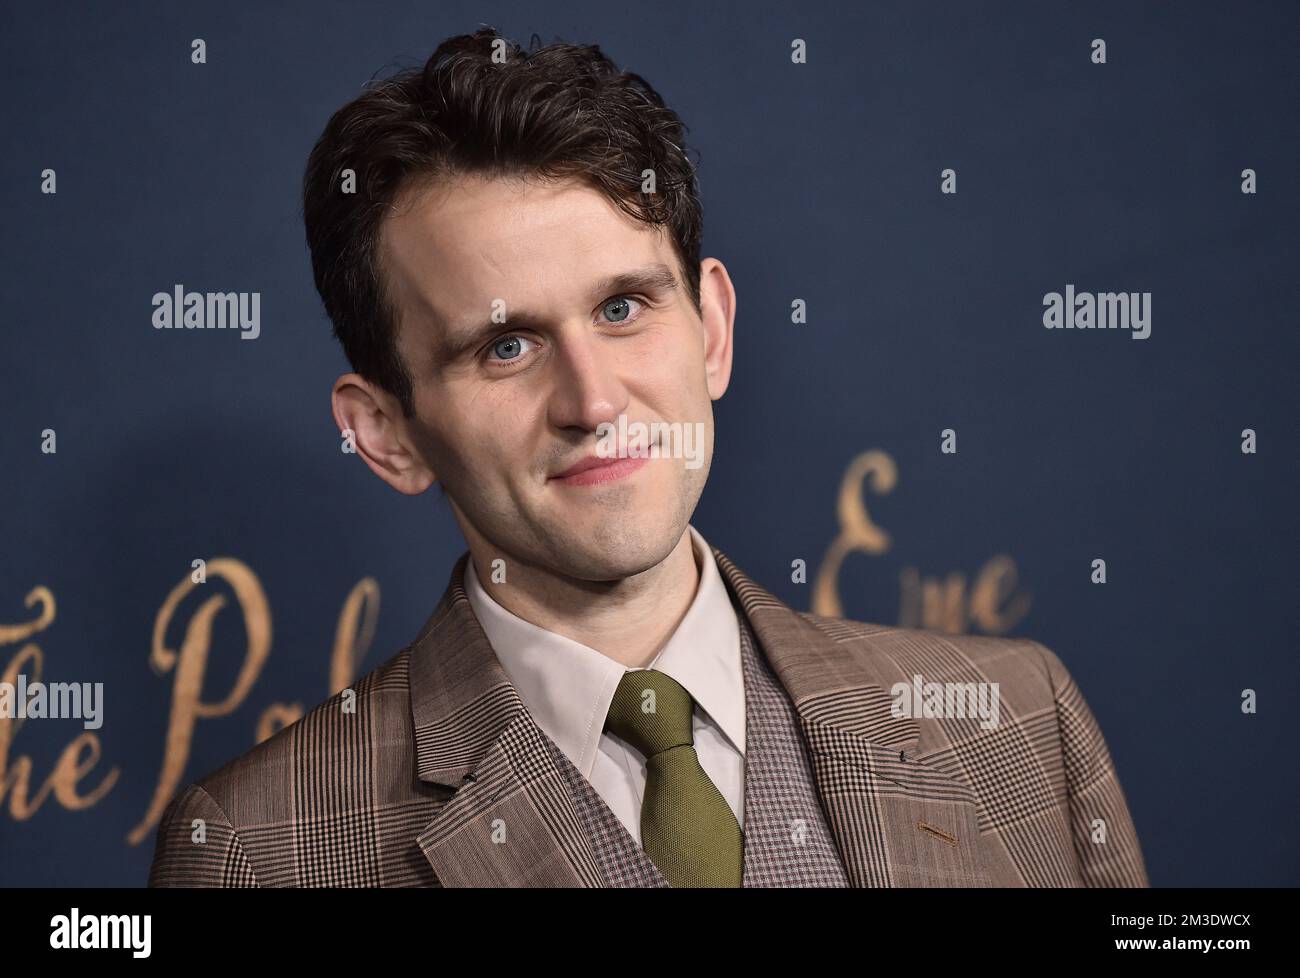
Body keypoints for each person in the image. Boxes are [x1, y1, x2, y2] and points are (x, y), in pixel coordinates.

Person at [148, 28, 1147, 888]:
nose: (591, 400)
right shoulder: (260, 851)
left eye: (623, 308)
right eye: (505, 346)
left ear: (711, 328)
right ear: (388, 433)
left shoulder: (1018, 723)